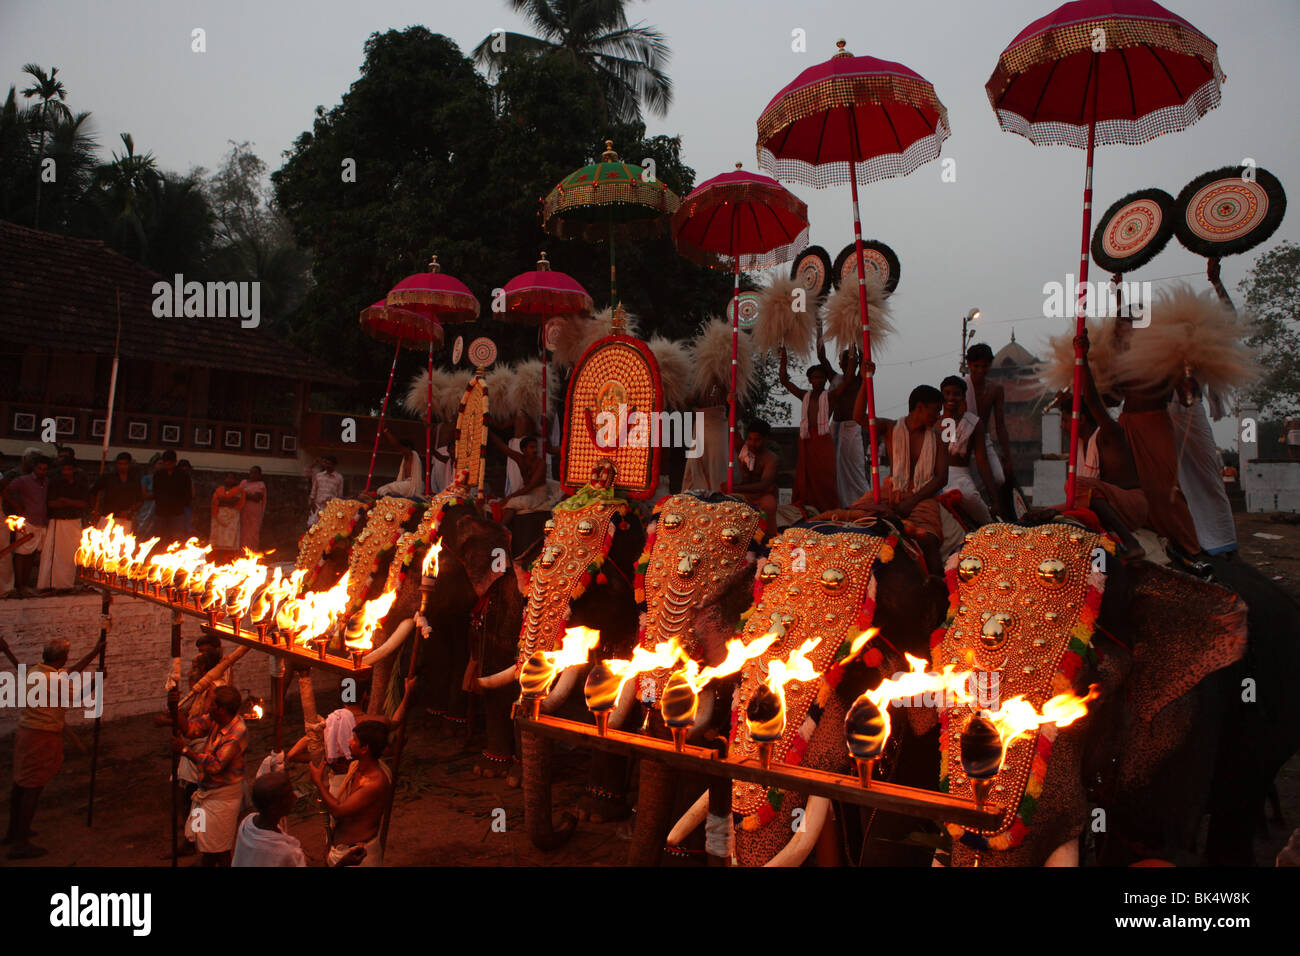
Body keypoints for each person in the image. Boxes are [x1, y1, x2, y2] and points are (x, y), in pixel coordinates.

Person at [1107, 315, 1206, 565]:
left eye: (1126, 328)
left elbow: (1186, 398)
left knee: (1164, 489)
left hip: (1155, 425)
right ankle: (1150, 541)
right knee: (1130, 486)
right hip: (1127, 424)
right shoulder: (1119, 361)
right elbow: (1113, 398)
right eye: (1119, 330)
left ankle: (1191, 549)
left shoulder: (1164, 357)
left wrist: (1190, 381)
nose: (1122, 333)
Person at [5, 637, 105, 859]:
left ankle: (14, 832)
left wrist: (93, 652)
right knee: (33, 787)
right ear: (62, 658)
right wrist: (97, 681)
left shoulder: (36, 671)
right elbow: (77, 696)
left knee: (20, 783)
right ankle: (20, 843)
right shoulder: (56, 681)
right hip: (42, 736)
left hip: (26, 733)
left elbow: (69, 672)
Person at [1052, 330, 1150, 558]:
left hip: (1131, 507)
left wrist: (1083, 358)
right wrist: (1044, 512)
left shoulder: (1109, 433)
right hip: (1105, 505)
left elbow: (1093, 401)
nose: (1062, 427)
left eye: (1066, 421)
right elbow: (1080, 501)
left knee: (1076, 484)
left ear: (1082, 419)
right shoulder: (1079, 447)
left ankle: (1131, 542)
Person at [846, 375, 949, 573]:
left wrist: (911, 502)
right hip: (890, 490)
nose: (938, 416)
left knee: (928, 539)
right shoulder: (891, 428)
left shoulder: (938, 438)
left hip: (923, 497)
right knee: (853, 517)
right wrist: (864, 380)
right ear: (920, 407)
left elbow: (941, 478)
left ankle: (937, 586)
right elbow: (859, 417)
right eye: (935, 410)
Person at [170, 684, 248, 867]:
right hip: (204, 793)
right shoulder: (215, 719)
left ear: (221, 709)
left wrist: (184, 750)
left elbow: (215, 765)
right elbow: (190, 729)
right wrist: (174, 710)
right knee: (203, 841)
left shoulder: (237, 731)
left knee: (219, 849)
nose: (207, 707)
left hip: (222, 800)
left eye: (212, 704)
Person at [309, 719, 393, 867]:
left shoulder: (374, 783)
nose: (349, 741)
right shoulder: (356, 767)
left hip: (359, 857)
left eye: (354, 739)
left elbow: (338, 810)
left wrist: (318, 782)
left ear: (364, 748)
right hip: (341, 850)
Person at [1169, 376, 1237, 556]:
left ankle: (1221, 541)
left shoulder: (1195, 356)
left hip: (1190, 412)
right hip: (1158, 412)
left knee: (1208, 478)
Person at [779, 348, 839, 513]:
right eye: (814, 378)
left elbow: (847, 381)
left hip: (823, 439)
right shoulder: (804, 395)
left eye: (821, 377)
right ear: (810, 380)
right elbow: (784, 380)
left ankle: (828, 508)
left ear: (826, 380)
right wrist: (783, 359)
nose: (818, 381)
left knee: (825, 476)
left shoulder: (831, 396)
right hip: (806, 439)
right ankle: (806, 508)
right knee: (805, 474)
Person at [939, 376, 999, 525]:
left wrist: (995, 499)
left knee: (973, 501)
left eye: (956, 394)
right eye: (947, 393)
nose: (951, 397)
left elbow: (982, 461)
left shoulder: (973, 423)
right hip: (935, 476)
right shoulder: (933, 422)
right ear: (941, 395)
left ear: (963, 397)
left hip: (960, 476)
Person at [965, 343, 1016, 518]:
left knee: (999, 478)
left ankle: (988, 507)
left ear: (990, 365)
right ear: (969, 364)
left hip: (984, 439)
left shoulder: (996, 390)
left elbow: (1000, 425)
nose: (980, 370)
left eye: (984, 366)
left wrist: (1007, 457)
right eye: (976, 366)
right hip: (964, 439)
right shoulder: (961, 387)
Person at [818, 343, 869, 508]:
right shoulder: (836, 379)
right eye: (845, 362)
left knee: (855, 469)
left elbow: (862, 358)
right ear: (840, 365)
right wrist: (820, 331)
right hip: (835, 428)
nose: (848, 365)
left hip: (852, 428)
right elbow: (822, 357)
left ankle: (862, 503)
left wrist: (854, 336)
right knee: (833, 470)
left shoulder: (860, 379)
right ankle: (837, 504)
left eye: (851, 361)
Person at [231, 772, 306, 867]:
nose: (295, 798)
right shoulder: (286, 853)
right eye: (289, 795)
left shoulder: (247, 823)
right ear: (274, 808)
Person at [38, 455, 89, 592]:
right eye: (64, 469)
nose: (66, 472)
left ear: (74, 470)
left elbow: (84, 503)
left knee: (71, 554)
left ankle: (67, 584)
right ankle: (52, 584)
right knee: (55, 554)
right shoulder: (55, 483)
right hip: (58, 521)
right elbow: (51, 503)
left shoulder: (80, 484)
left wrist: (67, 501)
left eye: (69, 469)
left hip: (74, 521)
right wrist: (70, 503)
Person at [2, 454, 49, 594]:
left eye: (45, 469)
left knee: (31, 554)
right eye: (39, 468)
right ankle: (19, 585)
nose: (42, 471)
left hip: (41, 522)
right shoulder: (23, 480)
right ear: (34, 468)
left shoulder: (47, 482)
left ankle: (25, 584)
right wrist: (16, 506)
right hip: (26, 521)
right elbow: (6, 492)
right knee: (21, 554)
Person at [492, 433, 559, 522]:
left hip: (539, 493)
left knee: (511, 502)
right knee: (506, 504)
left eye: (535, 447)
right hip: (525, 489)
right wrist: (489, 431)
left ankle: (500, 529)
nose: (535, 450)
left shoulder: (541, 463)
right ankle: (499, 527)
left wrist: (508, 498)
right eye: (531, 447)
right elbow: (504, 448)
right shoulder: (520, 458)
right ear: (524, 450)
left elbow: (531, 486)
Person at [681, 380, 729, 492]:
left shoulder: (726, 380)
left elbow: (736, 406)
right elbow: (687, 401)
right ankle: (695, 498)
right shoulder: (698, 378)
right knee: (695, 462)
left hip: (718, 423)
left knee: (716, 462)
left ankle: (719, 497)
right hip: (701, 421)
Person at [732, 420, 780, 530]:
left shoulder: (771, 459)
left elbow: (764, 485)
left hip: (762, 494)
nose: (752, 443)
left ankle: (769, 537)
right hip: (741, 493)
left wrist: (735, 487)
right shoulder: (743, 449)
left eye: (757, 440)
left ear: (766, 439)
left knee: (769, 505)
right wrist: (733, 404)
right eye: (750, 439)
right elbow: (732, 428)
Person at [91, 452, 144, 532]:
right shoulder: (108, 477)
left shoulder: (135, 480)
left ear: (129, 464)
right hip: (108, 517)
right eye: (120, 464)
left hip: (125, 519)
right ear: (116, 464)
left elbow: (140, 500)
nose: (122, 466)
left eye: (125, 464)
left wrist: (129, 511)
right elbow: (93, 492)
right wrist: (95, 511)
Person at [151, 450, 192, 545]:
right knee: (159, 537)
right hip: (161, 511)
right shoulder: (159, 474)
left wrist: (182, 504)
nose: (168, 464)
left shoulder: (183, 475)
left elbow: (187, 493)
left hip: (177, 511)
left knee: (176, 538)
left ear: (175, 462)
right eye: (166, 462)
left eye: (170, 462)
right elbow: (156, 491)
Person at [209, 472, 245, 563]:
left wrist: (223, 500)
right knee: (218, 541)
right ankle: (217, 561)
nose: (229, 480)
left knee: (231, 540)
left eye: (232, 478)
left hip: (232, 516)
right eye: (227, 478)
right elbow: (216, 501)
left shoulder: (239, 490)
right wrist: (227, 500)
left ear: (235, 480)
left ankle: (230, 561)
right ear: (224, 479)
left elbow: (234, 502)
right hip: (218, 515)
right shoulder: (218, 490)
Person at [376, 429, 422, 498]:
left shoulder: (412, 455)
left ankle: (389, 498)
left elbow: (395, 444)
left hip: (411, 486)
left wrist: (386, 431)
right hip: (404, 484)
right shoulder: (405, 457)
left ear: (408, 448)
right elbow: (396, 446)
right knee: (381, 490)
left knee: (384, 489)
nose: (400, 451)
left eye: (402, 448)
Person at [239, 466, 267, 552]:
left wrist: (244, 494)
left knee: (253, 533)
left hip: (254, 512)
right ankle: (242, 553)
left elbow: (256, 498)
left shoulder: (260, 484)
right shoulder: (243, 482)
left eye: (255, 473)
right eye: (251, 473)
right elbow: (237, 494)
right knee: (243, 533)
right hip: (243, 511)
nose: (253, 475)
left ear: (259, 475)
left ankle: (252, 553)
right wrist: (247, 495)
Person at [309, 456, 343, 525]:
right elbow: (314, 490)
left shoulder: (339, 478)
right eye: (326, 463)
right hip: (317, 507)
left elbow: (339, 495)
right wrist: (312, 503)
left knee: (326, 529)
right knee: (313, 527)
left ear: (334, 465)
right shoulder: (318, 476)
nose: (327, 466)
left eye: (329, 464)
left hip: (330, 508)